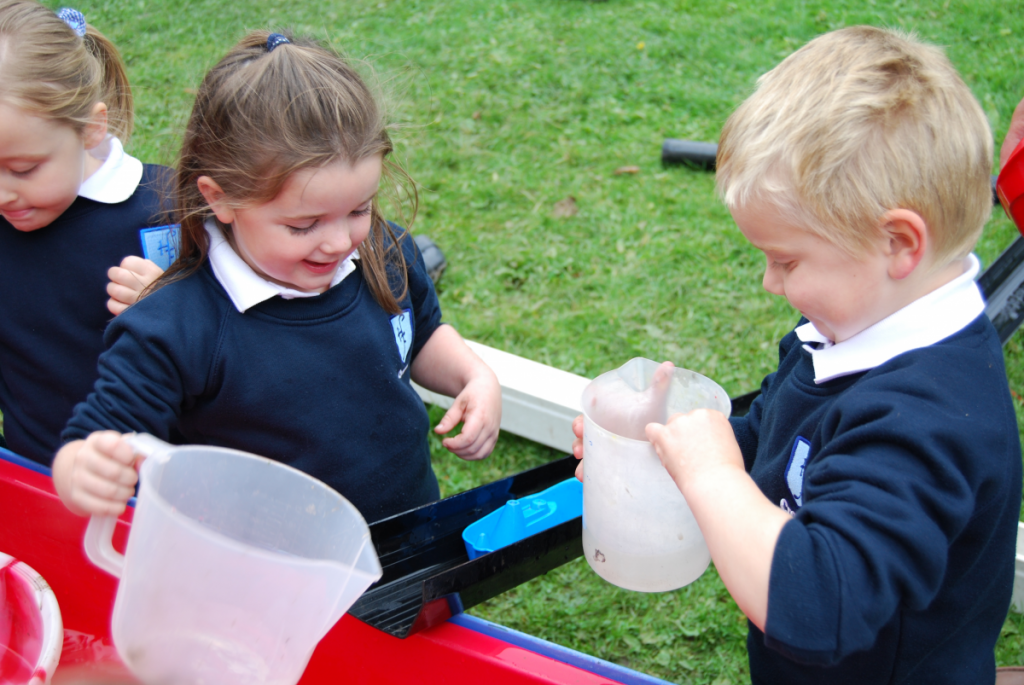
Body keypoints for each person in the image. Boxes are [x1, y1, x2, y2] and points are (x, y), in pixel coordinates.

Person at [575, 26, 1021, 684]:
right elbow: (781, 448)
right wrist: (671, 452)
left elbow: (818, 607)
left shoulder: (926, 424)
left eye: (786, 259)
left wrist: (711, 476)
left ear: (899, 242)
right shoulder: (847, 334)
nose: (769, 281)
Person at [52, 31, 502, 524]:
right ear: (220, 197)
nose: (337, 241)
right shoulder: (175, 326)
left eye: (359, 208)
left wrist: (473, 377)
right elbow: (97, 435)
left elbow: (421, 335)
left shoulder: (383, 250)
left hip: (407, 543)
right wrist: (83, 469)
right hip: (265, 581)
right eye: (302, 225)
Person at [0, 1, 171, 465]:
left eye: (23, 168)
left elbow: (252, 340)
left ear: (91, 128)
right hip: (34, 478)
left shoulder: (167, 209)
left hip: (153, 489)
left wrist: (174, 306)